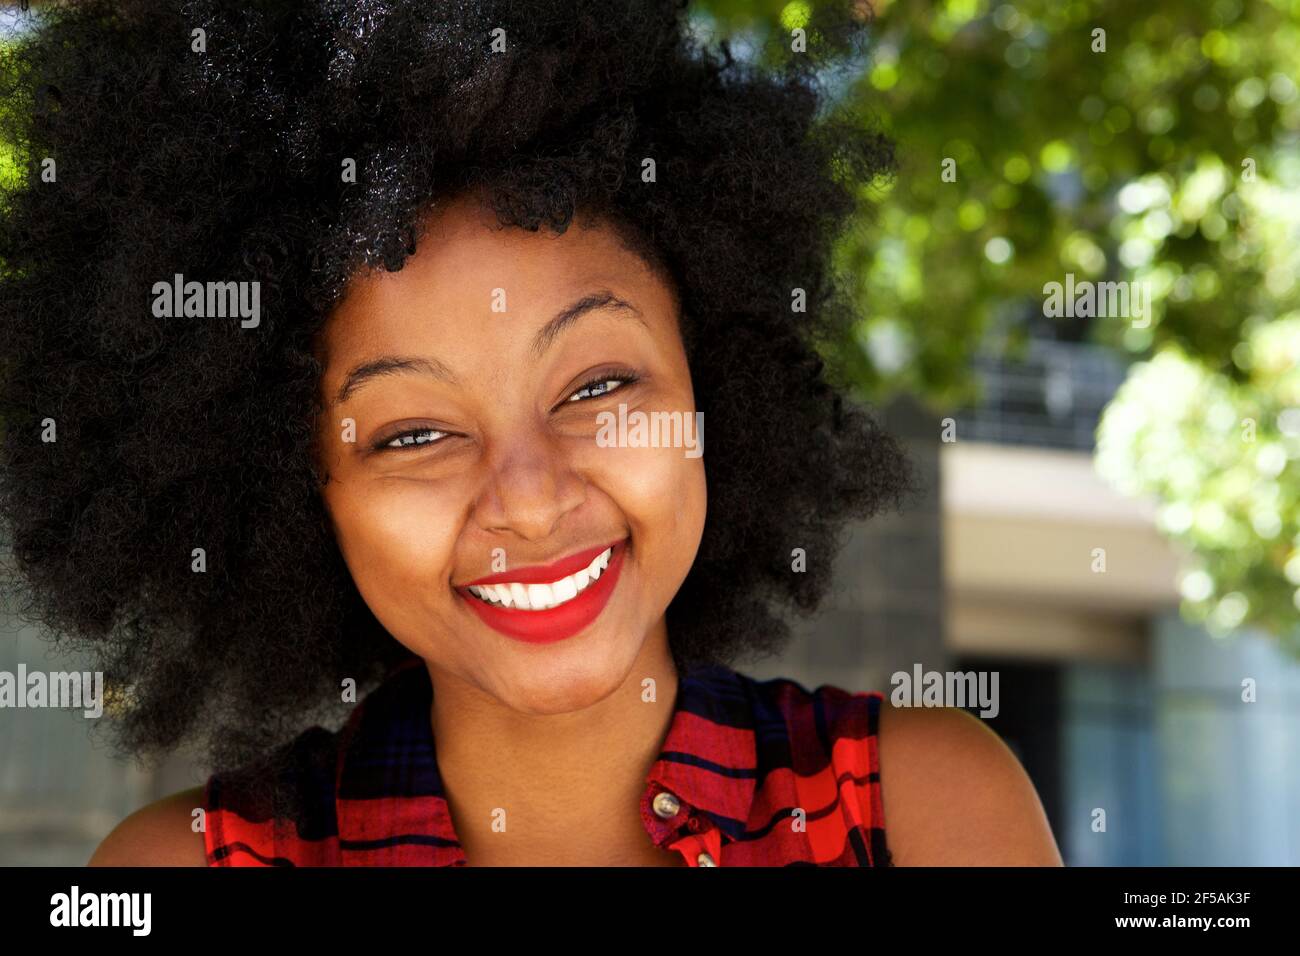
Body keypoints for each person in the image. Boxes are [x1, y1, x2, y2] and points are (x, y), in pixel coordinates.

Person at [0, 0, 1061, 866]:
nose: (531, 494)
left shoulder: (920, 809)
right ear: (293, 485)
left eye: (597, 382)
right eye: (413, 433)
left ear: (711, 386)